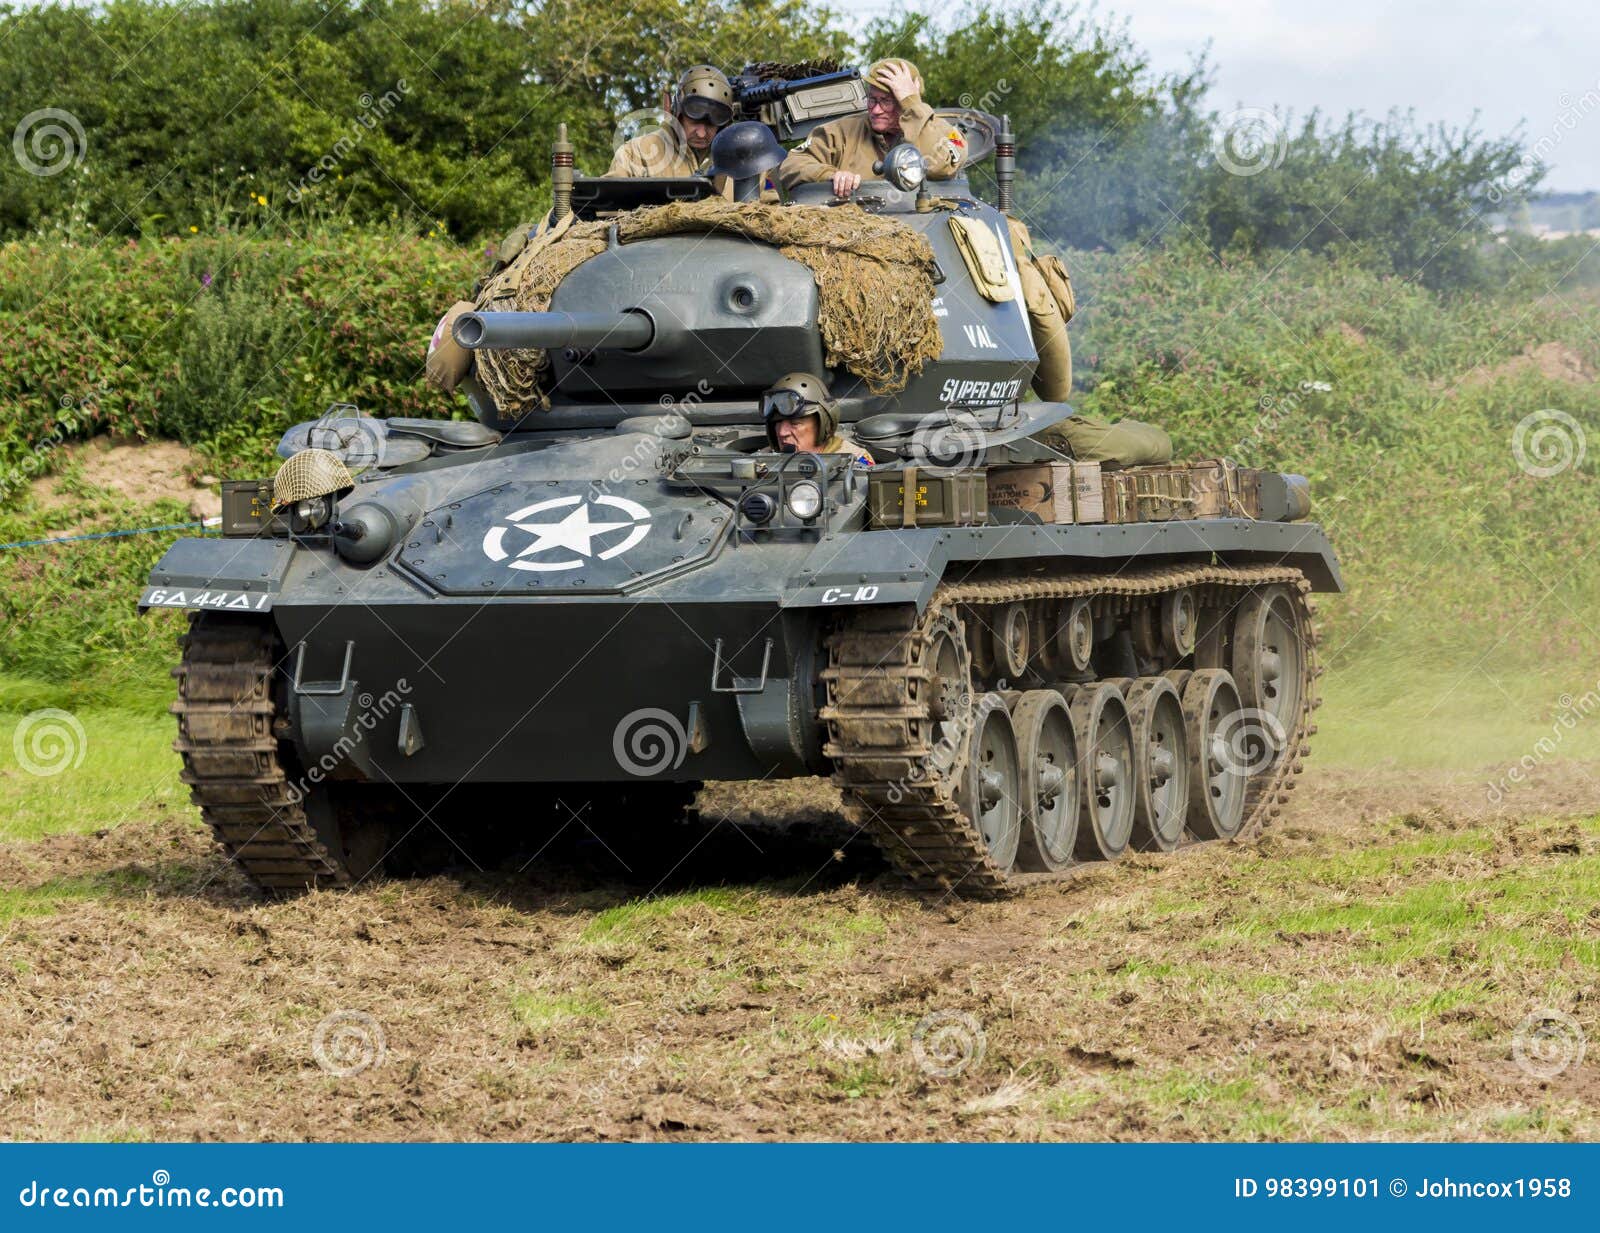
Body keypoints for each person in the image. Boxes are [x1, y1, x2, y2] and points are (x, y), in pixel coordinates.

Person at [777, 58, 964, 198]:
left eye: (886, 101)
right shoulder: (842, 131)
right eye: (872, 99)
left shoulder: (945, 132)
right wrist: (832, 175)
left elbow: (940, 168)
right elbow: (792, 165)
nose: (875, 110)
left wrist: (913, 106)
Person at [607, 64, 735, 193]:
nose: (701, 134)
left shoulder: (738, 165)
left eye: (711, 125)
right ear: (678, 114)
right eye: (694, 121)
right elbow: (607, 202)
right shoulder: (635, 154)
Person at [762, 373, 873, 464]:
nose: (782, 432)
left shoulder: (856, 460)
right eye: (777, 422)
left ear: (824, 425)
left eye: (795, 423)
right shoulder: (762, 460)